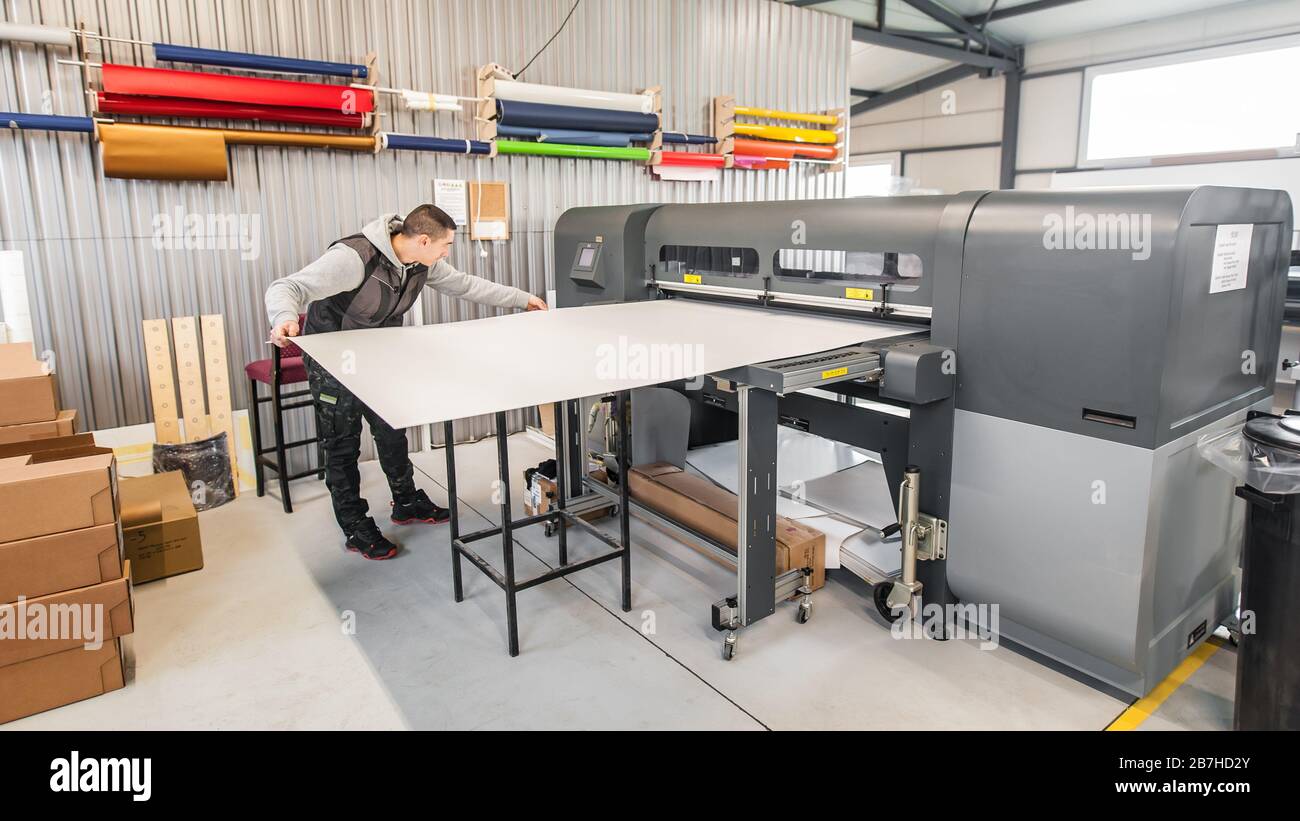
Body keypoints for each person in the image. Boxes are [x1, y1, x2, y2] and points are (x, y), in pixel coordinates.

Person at [265, 205, 547, 560]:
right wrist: (285, 317)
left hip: (378, 355)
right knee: (341, 444)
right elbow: (287, 286)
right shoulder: (354, 258)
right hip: (332, 360)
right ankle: (355, 524)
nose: (447, 253)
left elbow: (465, 285)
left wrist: (522, 300)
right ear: (424, 239)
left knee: (391, 429)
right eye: (445, 245)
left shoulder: (421, 262)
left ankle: (406, 500)